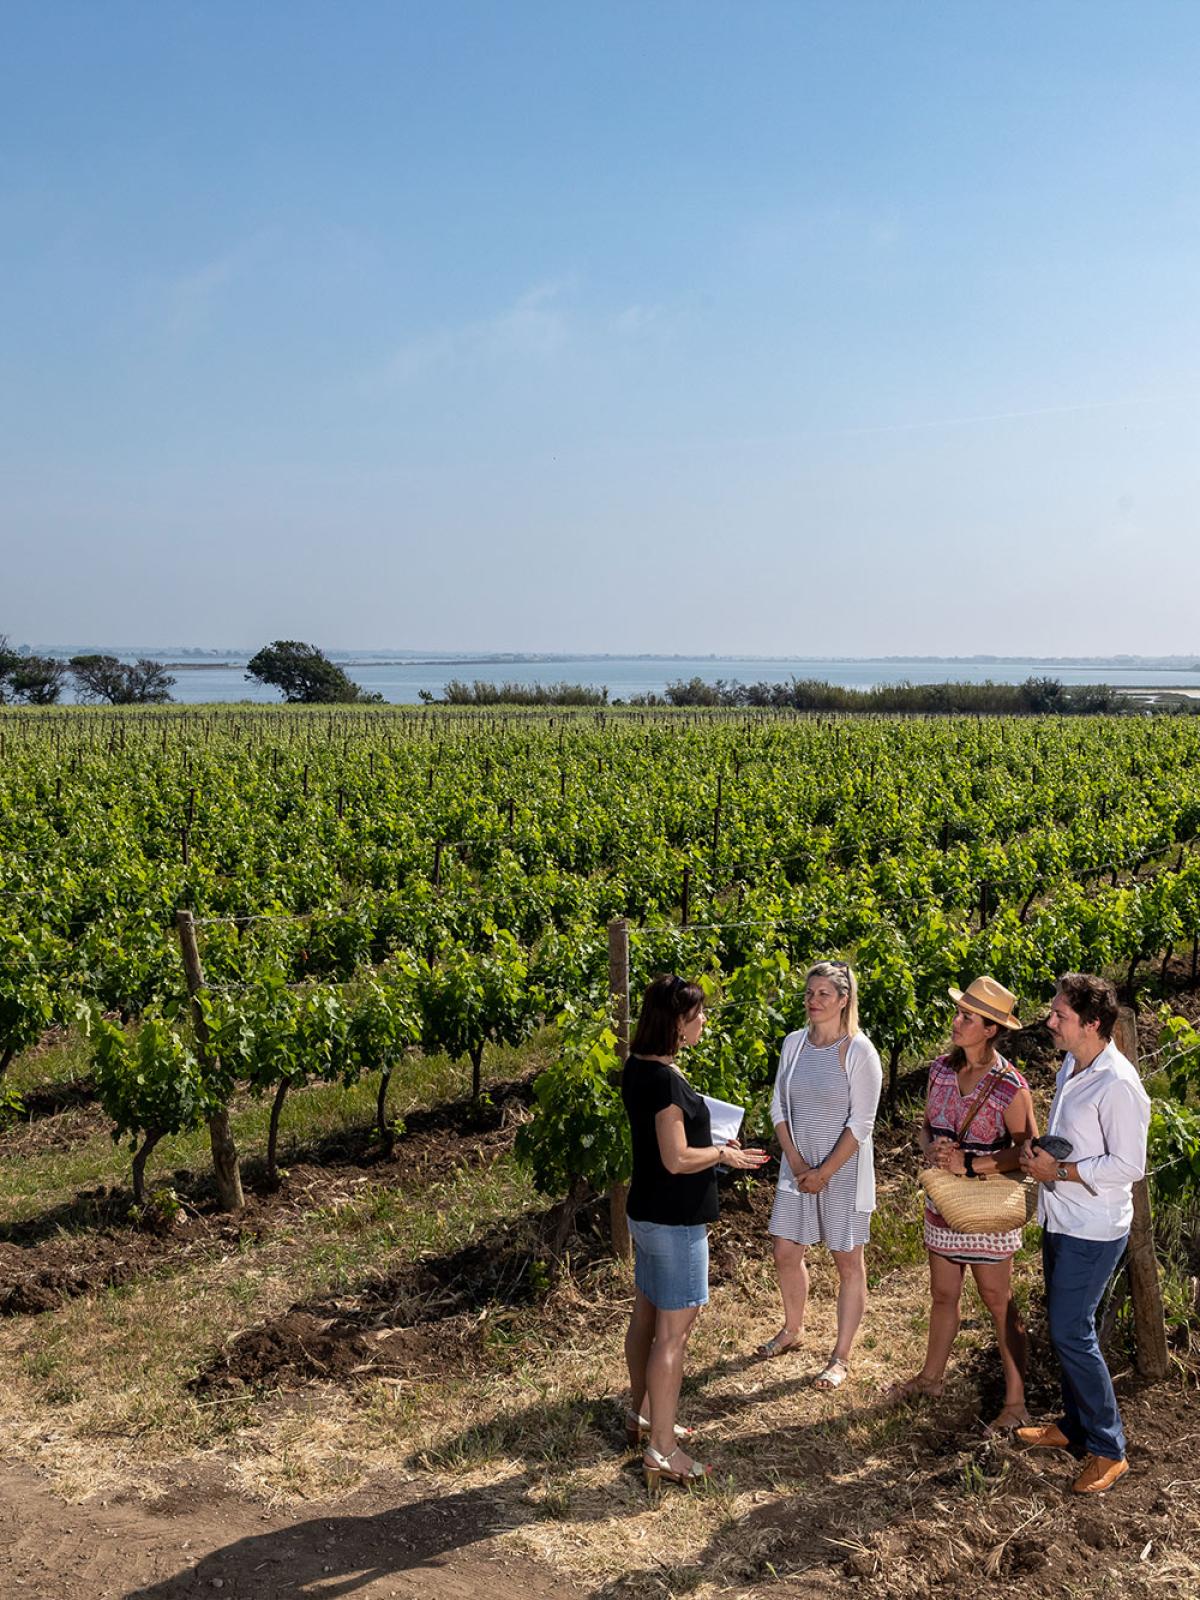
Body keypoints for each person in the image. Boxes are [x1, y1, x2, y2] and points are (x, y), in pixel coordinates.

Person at [621, 973, 769, 1491]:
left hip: (645, 1212)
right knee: (673, 1335)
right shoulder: (665, 1083)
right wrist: (723, 1153)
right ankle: (663, 1450)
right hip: (675, 1222)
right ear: (677, 1023)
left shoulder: (639, 1067)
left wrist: (712, 1143)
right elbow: (677, 1158)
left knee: (646, 1315)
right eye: (697, 1014)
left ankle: (644, 1415)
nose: (704, 1020)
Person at [885, 976, 1038, 1433]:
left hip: (987, 1210)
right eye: (958, 1013)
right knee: (943, 1295)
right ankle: (931, 1379)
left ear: (991, 1029)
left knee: (997, 1301)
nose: (956, 1021)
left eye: (967, 1017)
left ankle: (1016, 1403)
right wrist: (930, 1148)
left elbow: (1027, 1151)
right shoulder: (939, 1071)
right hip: (945, 1204)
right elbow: (926, 1128)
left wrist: (970, 1164)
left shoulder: (1010, 1086)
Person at [1017, 973, 1150, 1494]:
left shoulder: (1118, 1084)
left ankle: (1109, 1449)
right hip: (1061, 1218)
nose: (1050, 1022)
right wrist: (1039, 1154)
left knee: (1071, 1331)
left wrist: (1061, 1171)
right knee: (1070, 1326)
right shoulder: (1073, 1064)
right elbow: (1076, 1139)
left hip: (1093, 1229)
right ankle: (1074, 1427)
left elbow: (1129, 1165)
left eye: (1061, 1016)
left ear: (1092, 1024)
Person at [757, 960, 883, 1390]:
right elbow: (777, 1105)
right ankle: (793, 1329)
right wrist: (795, 1162)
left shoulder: (859, 1051)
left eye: (823, 994)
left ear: (844, 1000)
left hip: (842, 1170)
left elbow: (862, 1122)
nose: (813, 1000)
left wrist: (825, 1171)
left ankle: (840, 1356)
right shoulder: (794, 1044)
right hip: (798, 1167)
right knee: (785, 1251)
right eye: (809, 993)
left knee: (848, 1261)